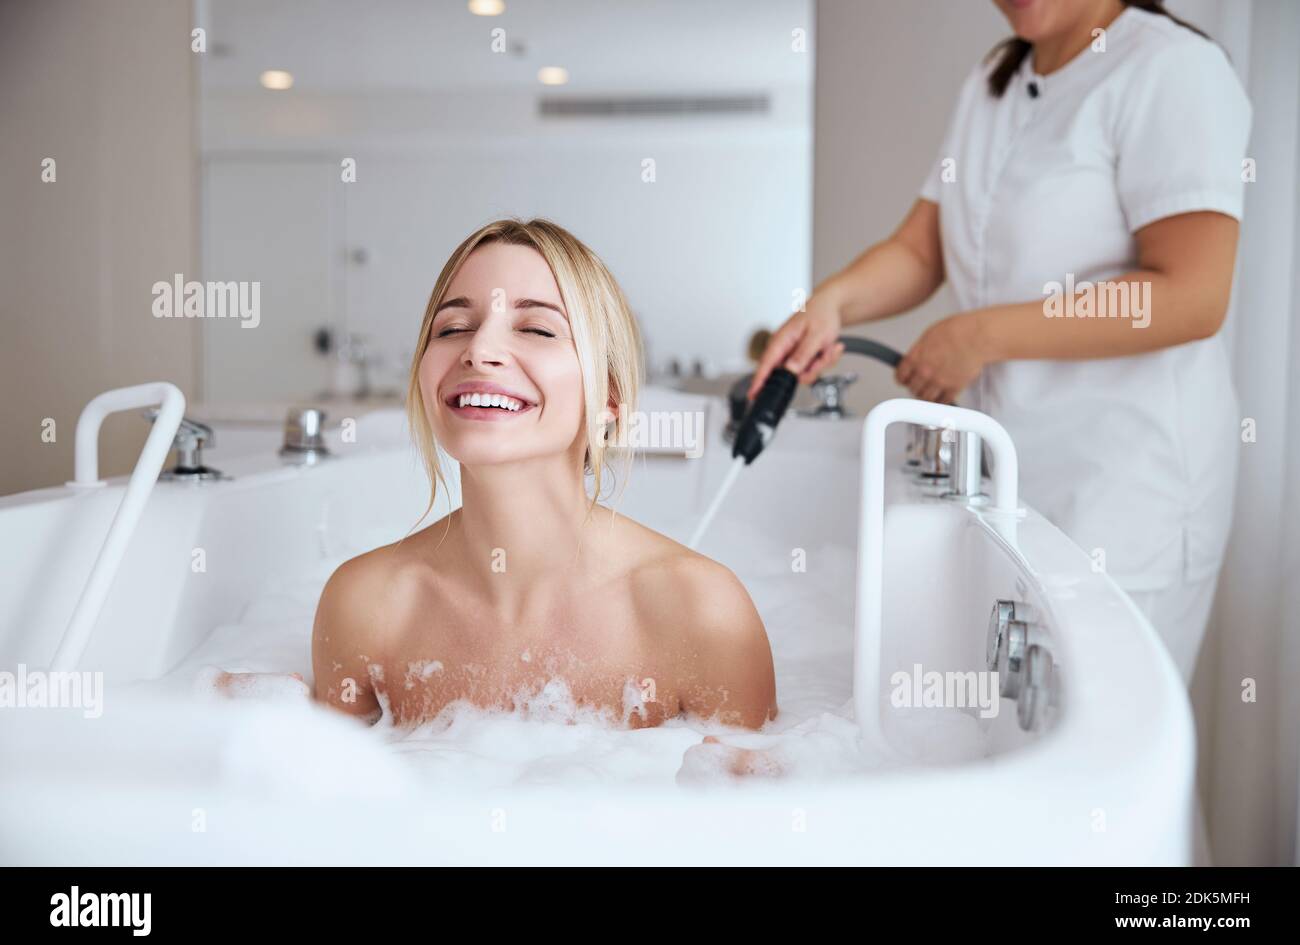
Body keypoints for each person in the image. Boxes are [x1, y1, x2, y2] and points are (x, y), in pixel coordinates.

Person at [749, 0, 1251, 685]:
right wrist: (831, 304)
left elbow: (1192, 295)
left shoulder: (1171, 69)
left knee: (1098, 729)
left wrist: (981, 335)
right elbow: (921, 250)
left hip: (1125, 492)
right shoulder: (995, 81)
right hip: (1012, 482)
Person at [310, 218, 778, 728]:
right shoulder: (364, 607)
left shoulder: (701, 614)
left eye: (536, 329)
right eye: (452, 328)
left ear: (609, 397)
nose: (478, 350)